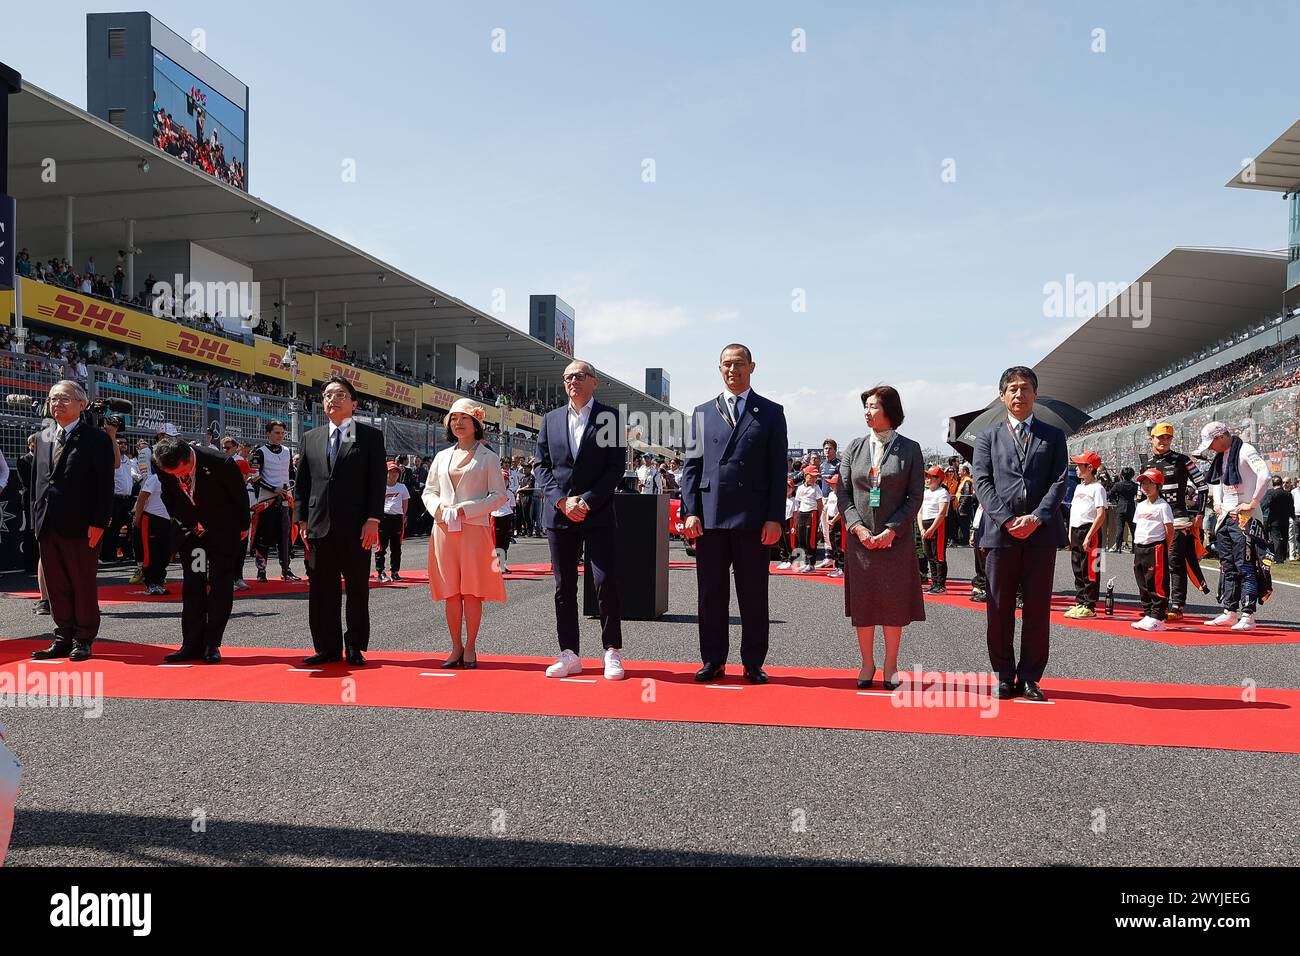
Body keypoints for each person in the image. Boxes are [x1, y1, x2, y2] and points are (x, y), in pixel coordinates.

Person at [680, 344, 788, 684]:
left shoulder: (770, 412)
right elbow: (691, 469)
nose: (732, 370)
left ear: (752, 367)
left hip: (753, 519)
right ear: (719, 368)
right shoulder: (701, 413)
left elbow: (777, 471)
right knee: (711, 594)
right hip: (709, 517)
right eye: (726, 364)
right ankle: (713, 660)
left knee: (753, 593)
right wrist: (690, 512)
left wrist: (775, 517)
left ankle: (753, 662)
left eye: (739, 364)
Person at [972, 366, 1068, 702]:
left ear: (1035, 394)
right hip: (1000, 535)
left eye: (1025, 388)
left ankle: (1029, 677)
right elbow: (981, 482)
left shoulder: (1053, 436)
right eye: (1012, 388)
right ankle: (1002, 675)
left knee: (1038, 609)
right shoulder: (987, 436)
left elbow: (1059, 482)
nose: (1018, 394)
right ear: (1002, 396)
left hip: (1040, 535)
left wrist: (1037, 517)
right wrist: (1006, 519)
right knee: (998, 608)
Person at [534, 360, 627, 680]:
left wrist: (586, 501)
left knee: (604, 582)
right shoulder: (550, 419)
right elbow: (541, 467)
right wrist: (561, 500)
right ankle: (569, 653)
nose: (572, 381)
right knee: (564, 587)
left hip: (597, 512)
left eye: (578, 376)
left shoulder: (610, 418)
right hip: (559, 515)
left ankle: (611, 651)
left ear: (593, 382)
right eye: (567, 377)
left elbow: (615, 468)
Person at [294, 375, 387, 666]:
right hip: (319, 526)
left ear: (354, 403)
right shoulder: (312, 437)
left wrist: (373, 519)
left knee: (357, 588)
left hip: (357, 526)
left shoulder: (370, 437)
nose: (332, 400)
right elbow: (303, 484)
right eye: (328, 395)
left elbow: (377, 482)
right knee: (321, 590)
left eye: (340, 395)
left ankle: (355, 645)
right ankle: (326, 647)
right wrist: (301, 520)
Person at [839, 385, 926, 689]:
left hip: (895, 541)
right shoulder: (854, 447)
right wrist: (857, 527)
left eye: (874, 406)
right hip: (859, 540)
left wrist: (893, 530)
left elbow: (915, 496)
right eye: (866, 406)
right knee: (864, 605)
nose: (868, 411)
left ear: (890, 410)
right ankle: (866, 663)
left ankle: (891, 664)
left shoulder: (910, 449)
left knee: (892, 604)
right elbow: (843, 493)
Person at [29, 381, 115, 662]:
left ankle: (83, 637)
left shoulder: (96, 438)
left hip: (82, 526)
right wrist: (36, 518)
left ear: (82, 403)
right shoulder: (42, 438)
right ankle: (62, 635)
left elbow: (105, 485)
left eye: (64, 399)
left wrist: (99, 522)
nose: (57, 404)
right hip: (48, 524)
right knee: (55, 584)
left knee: (82, 582)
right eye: (53, 399)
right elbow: (37, 483)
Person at [422, 400, 508, 668]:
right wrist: (439, 509)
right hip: (444, 530)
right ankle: (455, 647)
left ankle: (470, 646)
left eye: (464, 418)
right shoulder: (441, 457)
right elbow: (429, 491)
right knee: (450, 592)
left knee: (471, 591)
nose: (458, 423)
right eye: (454, 418)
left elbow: (499, 496)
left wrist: (467, 509)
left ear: (476, 424)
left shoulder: (488, 457)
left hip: (473, 530)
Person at [151, 437, 251, 662]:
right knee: (193, 584)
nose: (177, 476)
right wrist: (189, 523)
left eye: (181, 471)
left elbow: (239, 497)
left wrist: (243, 527)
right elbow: (170, 497)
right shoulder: (163, 464)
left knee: (219, 584)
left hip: (222, 532)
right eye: (171, 473)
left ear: (188, 458)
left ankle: (212, 644)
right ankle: (191, 643)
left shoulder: (220, 463)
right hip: (191, 533)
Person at [1199, 421, 1270, 631]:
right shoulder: (1221, 456)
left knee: (1246, 565)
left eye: (1211, 443)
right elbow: (1219, 481)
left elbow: (1264, 475)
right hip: (1226, 517)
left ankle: (1248, 614)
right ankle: (1229, 611)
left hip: (1246, 517)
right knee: (1227, 565)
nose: (1210, 448)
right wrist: (1219, 503)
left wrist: (1253, 502)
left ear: (1221, 436)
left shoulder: (1246, 450)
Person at [1146, 422, 1209, 619]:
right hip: (1155, 520)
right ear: (1152, 439)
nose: (1164, 441)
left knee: (1174, 562)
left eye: (1168, 438)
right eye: (1160, 437)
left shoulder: (1182, 460)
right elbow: (1142, 496)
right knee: (1156, 562)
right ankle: (1159, 603)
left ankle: (1177, 606)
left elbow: (1203, 486)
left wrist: (1200, 514)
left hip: (1178, 518)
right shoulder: (1147, 464)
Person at [250, 420, 299, 582]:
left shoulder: (286, 451)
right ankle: (261, 571)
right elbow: (254, 477)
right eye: (277, 433)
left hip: (286, 498)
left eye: (282, 433)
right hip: (267, 499)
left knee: (285, 535)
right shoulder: (259, 452)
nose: (280, 436)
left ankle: (286, 568)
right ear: (268, 434)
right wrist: (274, 489)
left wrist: (289, 488)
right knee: (263, 536)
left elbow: (291, 473)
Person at [1063, 451, 1108, 619]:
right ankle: (1080, 601)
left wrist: (1089, 535)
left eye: (1079, 465)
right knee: (1077, 568)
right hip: (1076, 530)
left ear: (1090, 468)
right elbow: (1074, 511)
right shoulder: (1079, 487)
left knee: (1091, 569)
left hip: (1091, 530)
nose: (1076, 468)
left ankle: (1090, 605)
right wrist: (1069, 533)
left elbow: (1101, 514)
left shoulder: (1098, 488)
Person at [1131, 468, 1174, 632]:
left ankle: (1159, 617)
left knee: (1156, 583)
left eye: (1150, 483)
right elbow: (1138, 526)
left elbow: (1170, 530)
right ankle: (1148, 613)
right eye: (1143, 483)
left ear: (1158, 486)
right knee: (1142, 582)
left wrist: (1164, 547)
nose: (1146, 486)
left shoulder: (1163, 506)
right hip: (1139, 547)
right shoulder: (1140, 505)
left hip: (1155, 547)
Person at [131, 466, 175, 596]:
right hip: (151, 519)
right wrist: (138, 517)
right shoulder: (154, 479)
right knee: (150, 553)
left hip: (167, 520)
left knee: (165, 553)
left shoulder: (175, 479)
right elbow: (142, 497)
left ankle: (159, 582)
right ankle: (151, 583)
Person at [376, 460, 410, 583]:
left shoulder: (402, 487)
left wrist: (403, 516)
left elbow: (405, 503)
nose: (394, 475)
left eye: (396, 472)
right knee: (381, 547)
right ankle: (381, 572)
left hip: (397, 519)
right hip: (383, 519)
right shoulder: (380, 487)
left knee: (396, 548)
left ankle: (395, 571)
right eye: (391, 472)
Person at [918, 465, 950, 594]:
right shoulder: (925, 493)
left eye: (930, 476)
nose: (927, 479)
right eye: (927, 476)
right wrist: (921, 528)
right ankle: (934, 582)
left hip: (938, 525)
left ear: (938, 479)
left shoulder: (943, 492)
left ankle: (940, 585)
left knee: (939, 556)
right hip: (925, 525)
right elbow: (919, 512)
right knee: (929, 555)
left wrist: (932, 528)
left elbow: (941, 513)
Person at [792, 465, 823, 572]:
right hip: (802, 514)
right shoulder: (800, 488)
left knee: (810, 539)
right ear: (806, 476)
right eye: (812, 476)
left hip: (812, 514)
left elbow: (820, 504)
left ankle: (812, 564)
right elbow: (798, 503)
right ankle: (805, 562)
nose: (814, 479)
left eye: (816, 477)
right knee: (801, 539)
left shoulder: (816, 487)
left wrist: (819, 518)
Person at [1262, 475, 1294, 566]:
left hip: (1274, 520)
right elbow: (1291, 507)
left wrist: (1261, 510)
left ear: (1273, 484)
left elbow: (1266, 504)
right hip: (1285, 520)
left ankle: (1278, 558)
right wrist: (1293, 516)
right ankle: (1283, 556)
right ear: (1281, 483)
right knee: (1284, 538)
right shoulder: (1288, 494)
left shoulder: (1272, 493)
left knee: (1276, 539)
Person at [492, 465, 516, 574]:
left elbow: (512, 507)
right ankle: (497, 565)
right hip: (496, 518)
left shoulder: (510, 493)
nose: (503, 482)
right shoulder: (492, 493)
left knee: (505, 543)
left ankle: (502, 564)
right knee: (496, 543)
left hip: (507, 518)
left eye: (505, 480)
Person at [1109, 467, 1138, 552]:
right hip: (1131, 508)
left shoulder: (1118, 485)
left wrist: (1115, 499)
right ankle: (1134, 548)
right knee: (1133, 529)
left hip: (1121, 507)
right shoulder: (1135, 486)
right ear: (1132, 475)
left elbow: (1110, 494)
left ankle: (1118, 547)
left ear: (1122, 475)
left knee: (1120, 529)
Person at [776, 479, 797, 570]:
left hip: (790, 521)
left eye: (788, 488)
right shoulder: (782, 499)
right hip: (782, 520)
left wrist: (794, 526)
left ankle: (790, 560)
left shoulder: (794, 500)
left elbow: (796, 514)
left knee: (789, 542)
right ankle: (783, 560)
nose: (786, 490)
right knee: (782, 541)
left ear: (792, 489)